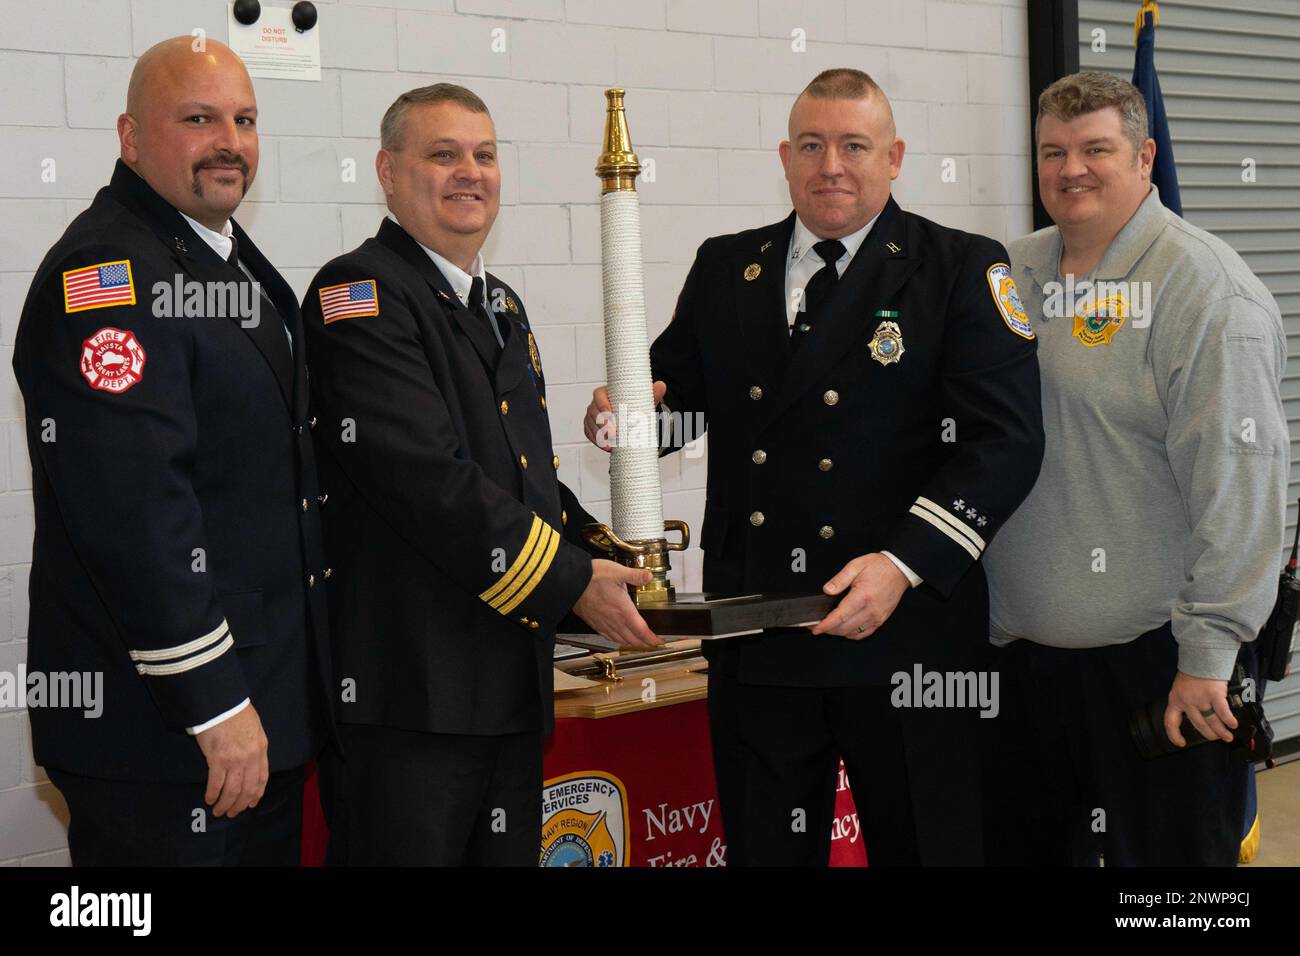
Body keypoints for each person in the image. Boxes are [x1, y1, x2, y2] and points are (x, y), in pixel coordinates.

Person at [583, 68, 1045, 865]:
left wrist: (903, 565)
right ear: (785, 158)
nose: (831, 164)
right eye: (811, 144)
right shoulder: (729, 267)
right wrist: (624, 420)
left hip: (908, 638)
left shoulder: (959, 268)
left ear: (893, 156)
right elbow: (681, 411)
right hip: (760, 634)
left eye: (854, 145)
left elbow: (1005, 443)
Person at [301, 84, 658, 866]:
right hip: (409, 703)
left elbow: (523, 480)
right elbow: (431, 483)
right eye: (443, 154)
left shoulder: (499, 304)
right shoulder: (356, 295)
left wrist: (615, 556)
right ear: (388, 173)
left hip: (503, 689)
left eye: (485, 155)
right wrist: (572, 583)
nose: (470, 172)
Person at [13, 37, 332, 865]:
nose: (229, 140)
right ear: (131, 138)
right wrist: (214, 703)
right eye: (199, 119)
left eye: (245, 119)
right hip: (170, 738)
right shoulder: (107, 273)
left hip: (252, 721)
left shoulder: (217, 258)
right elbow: (136, 513)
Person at [982, 71, 1287, 866]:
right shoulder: (1010, 273)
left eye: (1096, 150)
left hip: (1161, 672)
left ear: (1146, 157)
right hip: (1024, 669)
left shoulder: (1205, 291)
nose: (1070, 169)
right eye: (1054, 151)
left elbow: (1241, 486)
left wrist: (1209, 656)